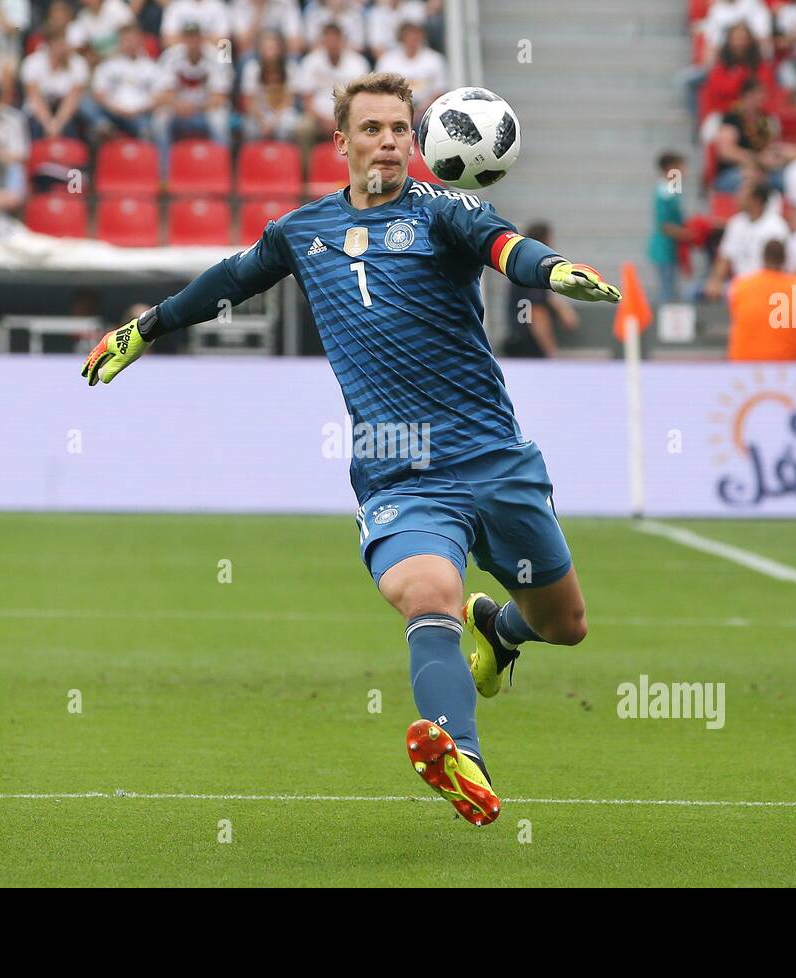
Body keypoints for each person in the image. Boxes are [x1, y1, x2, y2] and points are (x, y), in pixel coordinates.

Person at [78, 72, 622, 827]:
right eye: (372, 129)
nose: (389, 142)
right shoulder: (303, 232)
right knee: (428, 594)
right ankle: (460, 754)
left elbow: (505, 248)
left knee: (565, 623)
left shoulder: (445, 213)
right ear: (341, 142)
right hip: (399, 468)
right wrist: (146, 328)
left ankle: (498, 633)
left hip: (494, 458)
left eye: (400, 129)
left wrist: (553, 270)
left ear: (418, 140)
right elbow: (230, 281)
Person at [502, 222, 581, 357]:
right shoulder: (532, 273)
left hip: (518, 339)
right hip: (528, 346)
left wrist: (559, 308)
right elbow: (537, 313)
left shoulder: (521, 268)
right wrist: (551, 352)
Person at [727, 238, 796, 361]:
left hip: (743, 360)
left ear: (763, 257)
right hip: (787, 362)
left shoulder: (740, 285)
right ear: (785, 258)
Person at [704, 180, 789, 298]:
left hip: (765, 287)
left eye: (742, 193)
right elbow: (725, 257)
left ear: (756, 200)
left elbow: (777, 267)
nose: (736, 197)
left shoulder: (776, 227)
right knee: (695, 292)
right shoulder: (736, 223)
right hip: (739, 285)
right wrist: (716, 281)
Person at [647, 150, 690, 302]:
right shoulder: (664, 192)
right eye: (680, 167)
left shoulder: (672, 190)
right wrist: (688, 234)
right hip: (664, 250)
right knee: (667, 291)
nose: (685, 171)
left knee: (672, 289)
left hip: (671, 249)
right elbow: (665, 225)